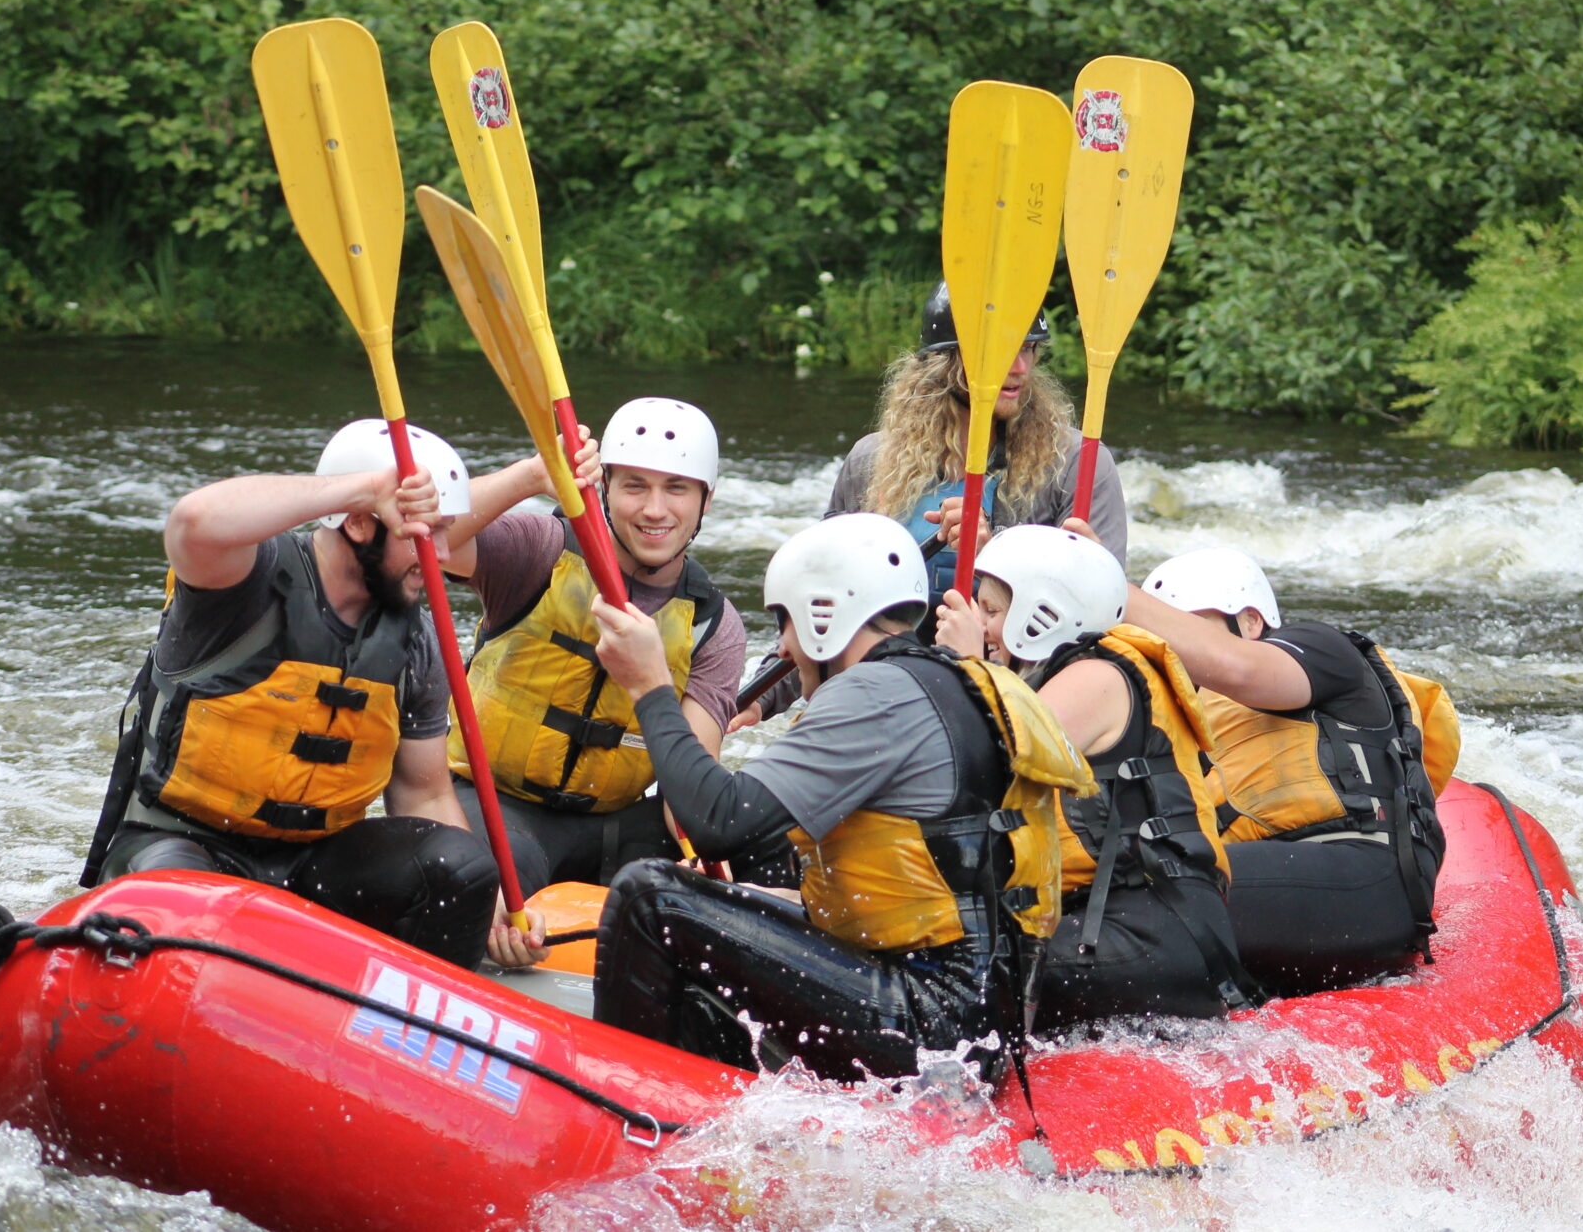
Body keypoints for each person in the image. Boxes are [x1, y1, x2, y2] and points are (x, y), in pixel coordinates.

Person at [583, 514, 1095, 1083]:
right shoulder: (943, 679)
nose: (782, 645)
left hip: (933, 1023)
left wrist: (651, 686)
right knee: (736, 901)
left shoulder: (878, 692)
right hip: (978, 1021)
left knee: (648, 897)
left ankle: (620, 1093)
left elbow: (717, 820)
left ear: (822, 614)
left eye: (784, 621)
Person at [79, 419, 501, 968]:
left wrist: (488, 908)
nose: (441, 553)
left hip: (313, 866)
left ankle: (411, 1011)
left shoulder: (416, 639)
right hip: (183, 846)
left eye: (445, 532)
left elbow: (424, 795)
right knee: (192, 913)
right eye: (424, 533)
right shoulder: (244, 584)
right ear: (357, 522)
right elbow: (193, 521)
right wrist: (368, 488)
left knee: (461, 869)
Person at [440, 399, 784, 960]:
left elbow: (689, 787)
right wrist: (534, 475)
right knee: (486, 877)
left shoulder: (712, 626)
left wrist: (709, 867)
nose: (655, 509)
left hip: (615, 826)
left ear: (706, 501)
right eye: (634, 486)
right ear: (603, 488)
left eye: (677, 488)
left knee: (758, 842)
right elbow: (427, 537)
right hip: (498, 806)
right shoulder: (542, 550)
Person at [735, 281, 1130, 726]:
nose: (1020, 367)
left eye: (1028, 349)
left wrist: (995, 554)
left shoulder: (1077, 465)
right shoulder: (870, 462)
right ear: (944, 360)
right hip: (888, 692)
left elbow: (1098, 624)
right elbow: (820, 600)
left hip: (1012, 705)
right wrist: (762, 698)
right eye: (1001, 351)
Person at [934, 525, 1258, 1029]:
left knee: (942, 971)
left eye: (992, 611)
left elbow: (983, 763)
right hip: (1114, 927)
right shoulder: (1061, 676)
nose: (983, 624)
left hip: (1151, 934)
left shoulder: (1098, 677)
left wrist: (967, 663)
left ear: (1043, 614)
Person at [1122, 546, 1460, 995]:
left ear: (1250, 621)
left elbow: (1239, 668)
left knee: (1130, 902)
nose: (1170, 649)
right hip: (1254, 894)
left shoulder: (1323, 649)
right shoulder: (1162, 720)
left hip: (1362, 876)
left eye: (1185, 628)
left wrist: (1105, 587)